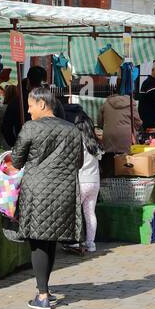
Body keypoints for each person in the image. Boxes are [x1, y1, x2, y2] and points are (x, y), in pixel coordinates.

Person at [9, 86, 83, 309]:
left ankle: (42, 295)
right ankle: (46, 289)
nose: (29, 110)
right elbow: (78, 162)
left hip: (37, 191)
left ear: (42, 104)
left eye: (31, 105)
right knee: (49, 239)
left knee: (38, 241)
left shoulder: (30, 128)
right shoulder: (72, 130)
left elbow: (16, 161)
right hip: (64, 190)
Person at [70, 107, 103, 253]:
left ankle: (75, 242)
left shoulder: (78, 142)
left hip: (81, 182)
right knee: (90, 213)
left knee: (75, 212)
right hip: (95, 182)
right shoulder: (94, 143)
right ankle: (91, 243)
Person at [99, 87, 138, 159]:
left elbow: (100, 122)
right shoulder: (130, 103)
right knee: (126, 162)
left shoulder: (106, 103)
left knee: (109, 160)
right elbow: (137, 121)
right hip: (126, 137)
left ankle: (110, 169)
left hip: (109, 136)